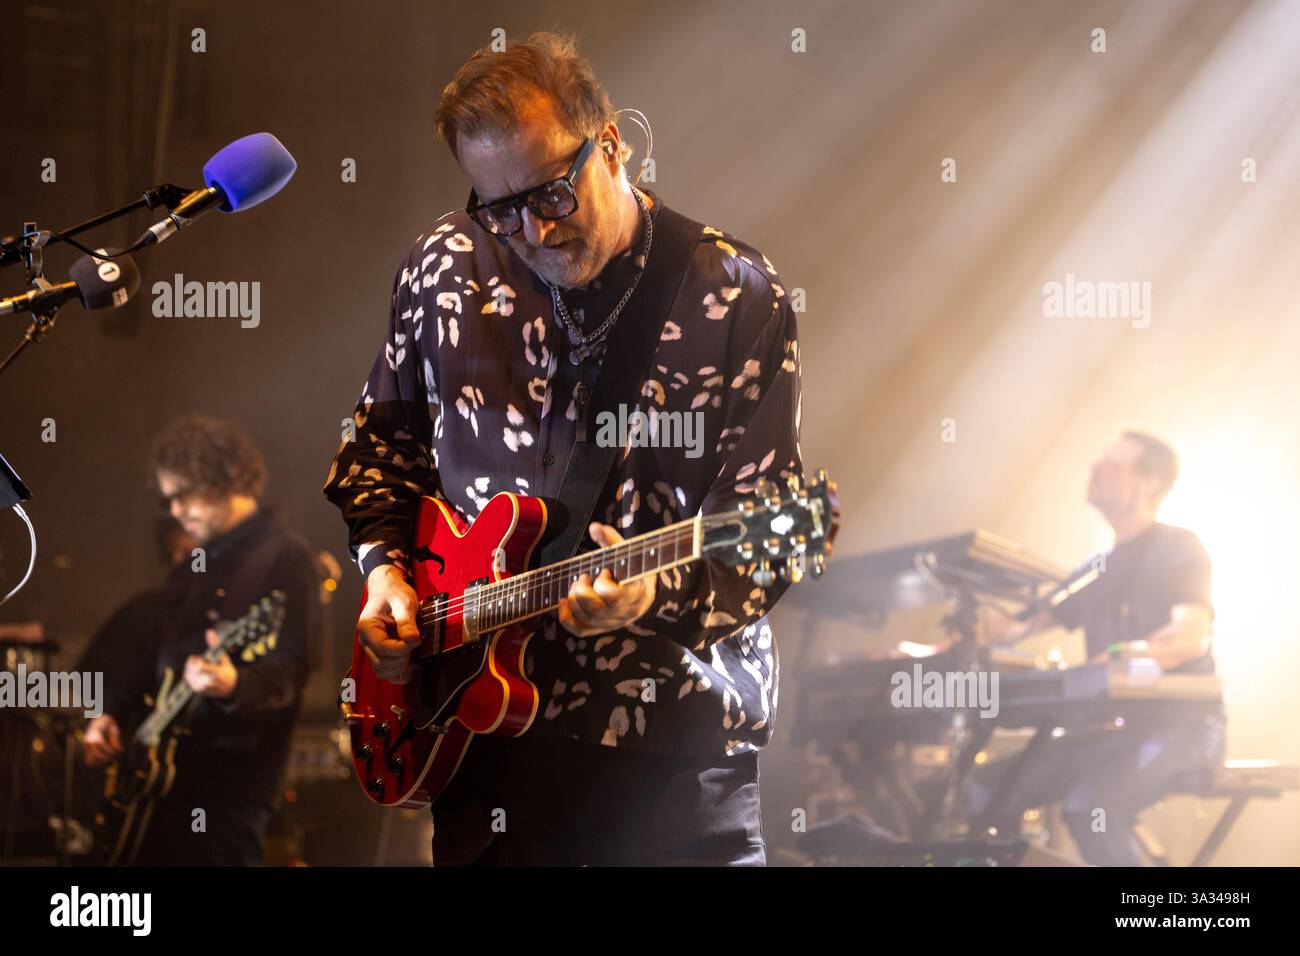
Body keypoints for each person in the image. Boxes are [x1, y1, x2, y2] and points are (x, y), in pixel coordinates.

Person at [323, 30, 803, 865]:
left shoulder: (735, 293)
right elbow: (380, 452)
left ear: (610, 146)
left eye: (550, 194)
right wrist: (384, 573)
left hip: (671, 743)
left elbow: (768, 539)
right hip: (483, 733)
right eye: (498, 209)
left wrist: (650, 598)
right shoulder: (445, 266)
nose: (533, 232)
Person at [975, 431, 1225, 865]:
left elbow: (1188, 638)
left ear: (1148, 483)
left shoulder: (1178, 547)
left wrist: (1114, 659)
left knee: (1094, 810)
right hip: (1116, 730)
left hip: (1184, 725)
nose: (1094, 468)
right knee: (982, 791)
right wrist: (918, 653)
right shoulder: (1095, 568)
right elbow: (1011, 628)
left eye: (1112, 464)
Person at [82, 416, 321, 866]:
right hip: (158, 784)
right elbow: (146, 651)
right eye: (167, 499)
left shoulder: (286, 559)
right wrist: (109, 712)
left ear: (222, 476)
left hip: (229, 791)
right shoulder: (193, 563)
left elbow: (293, 667)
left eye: (181, 495)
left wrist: (234, 685)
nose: (173, 511)